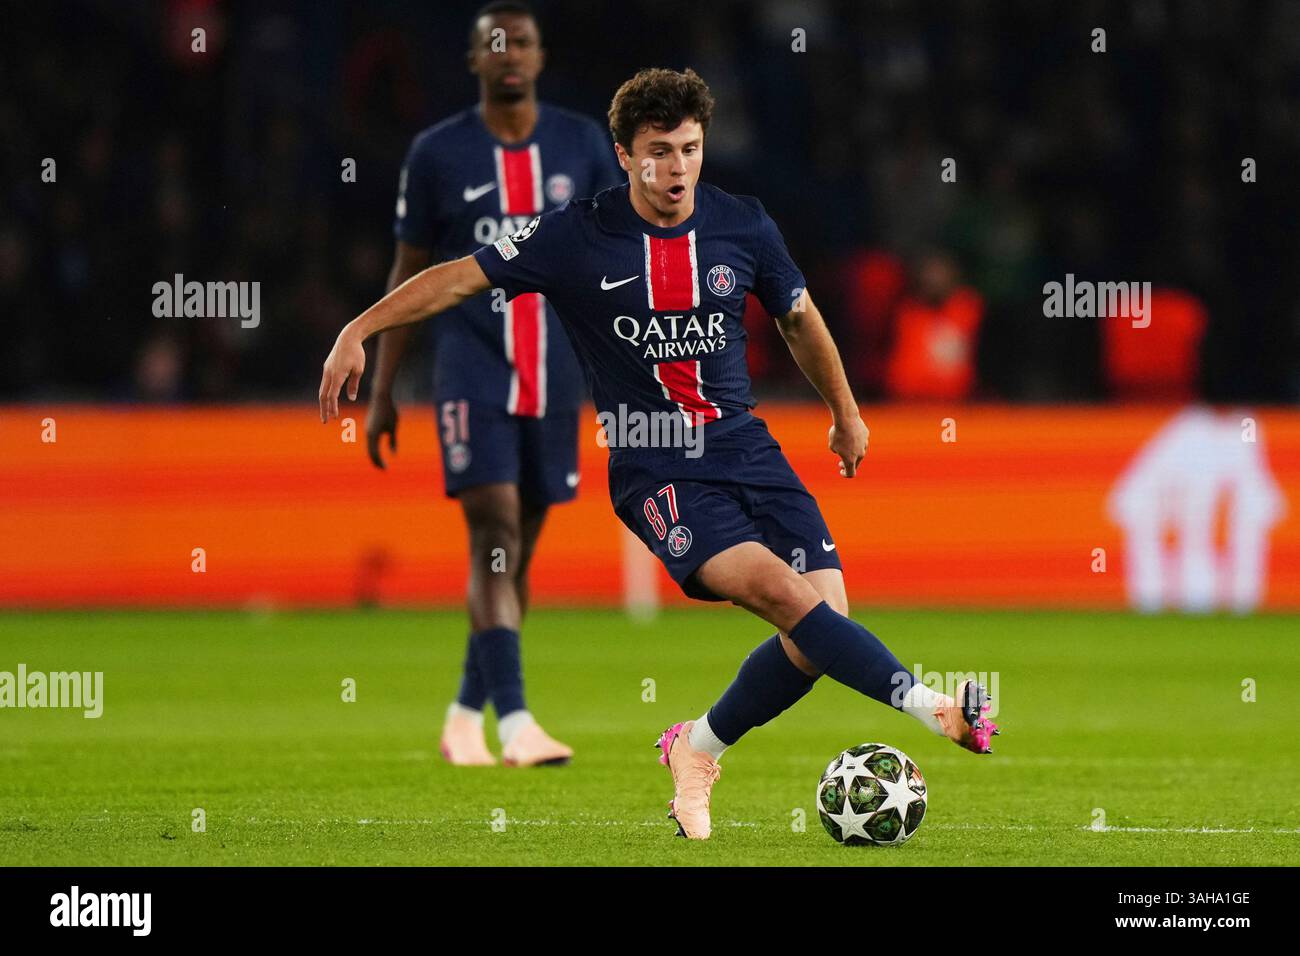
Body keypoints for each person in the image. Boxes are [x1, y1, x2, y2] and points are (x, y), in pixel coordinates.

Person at [321, 67, 1000, 839]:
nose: (677, 168)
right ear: (623, 155)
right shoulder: (574, 234)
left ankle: (697, 746)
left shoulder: (743, 224)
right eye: (658, 152)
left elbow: (799, 319)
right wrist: (358, 329)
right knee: (787, 597)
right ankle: (933, 706)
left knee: (821, 627)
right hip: (658, 470)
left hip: (748, 450)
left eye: (690, 149)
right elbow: (456, 280)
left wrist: (844, 412)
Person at [368, 1, 621, 767]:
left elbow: (614, 256)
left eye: (523, 43)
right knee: (496, 532)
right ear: (474, 59)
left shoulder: (582, 144)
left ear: (541, 56)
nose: (510, 54)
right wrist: (382, 386)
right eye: (495, 44)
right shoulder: (437, 153)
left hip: (555, 370)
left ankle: (461, 716)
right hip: (471, 366)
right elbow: (409, 270)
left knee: (520, 552)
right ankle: (516, 723)